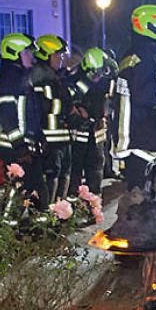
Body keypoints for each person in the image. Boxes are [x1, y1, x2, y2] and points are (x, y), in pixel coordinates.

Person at [113, 4, 156, 191]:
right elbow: (145, 96)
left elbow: (144, 87)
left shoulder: (133, 56)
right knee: (139, 197)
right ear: (151, 28)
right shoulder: (144, 58)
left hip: (134, 136)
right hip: (142, 137)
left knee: (137, 192)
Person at [0, 33, 44, 221]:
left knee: (31, 186)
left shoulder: (21, 78)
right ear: (15, 53)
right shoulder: (9, 80)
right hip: (13, 147)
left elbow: (30, 114)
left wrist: (39, 138)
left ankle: (33, 227)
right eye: (28, 52)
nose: (32, 56)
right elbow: (8, 118)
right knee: (17, 188)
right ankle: (5, 228)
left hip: (24, 146)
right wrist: (20, 147)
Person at [64, 47, 113, 202]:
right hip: (78, 135)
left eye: (101, 73)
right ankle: (72, 206)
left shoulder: (103, 81)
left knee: (96, 170)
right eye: (96, 73)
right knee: (75, 171)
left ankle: (93, 206)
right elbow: (68, 100)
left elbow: (107, 101)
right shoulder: (74, 81)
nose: (99, 77)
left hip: (96, 134)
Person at [29, 34, 71, 209]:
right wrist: (67, 107)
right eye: (57, 56)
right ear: (46, 54)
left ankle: (59, 213)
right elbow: (41, 106)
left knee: (64, 173)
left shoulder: (54, 75)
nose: (60, 59)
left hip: (61, 137)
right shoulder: (38, 76)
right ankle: (47, 214)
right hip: (49, 138)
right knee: (52, 175)